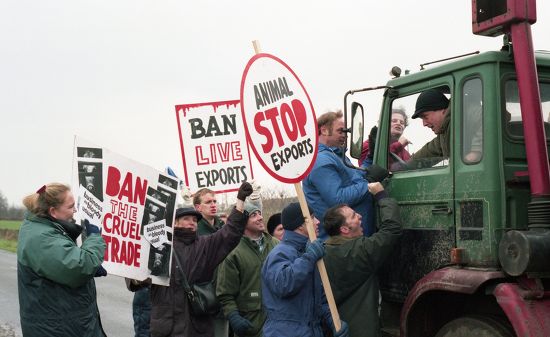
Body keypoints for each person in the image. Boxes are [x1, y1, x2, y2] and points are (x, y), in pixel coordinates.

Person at [140, 181, 253, 337]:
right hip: (166, 327)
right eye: (187, 218)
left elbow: (230, 233)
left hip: (197, 327)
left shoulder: (204, 245)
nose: (192, 222)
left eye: (195, 220)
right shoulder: (159, 246)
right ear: (174, 222)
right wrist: (135, 280)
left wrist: (240, 201)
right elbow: (136, 272)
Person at [17, 183, 107, 337]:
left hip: (62, 325)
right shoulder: (42, 238)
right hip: (56, 329)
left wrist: (89, 267)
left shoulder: (41, 228)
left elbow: (65, 263)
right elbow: (79, 267)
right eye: (71, 207)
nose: (75, 210)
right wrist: (94, 239)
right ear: (53, 211)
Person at [323, 182, 402, 337]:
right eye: (353, 216)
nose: (359, 216)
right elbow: (392, 228)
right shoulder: (361, 251)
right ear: (344, 229)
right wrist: (381, 195)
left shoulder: (323, 254)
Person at [261, 202, 349, 337]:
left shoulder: (308, 252)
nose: (318, 221)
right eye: (313, 217)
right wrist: (309, 258)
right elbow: (283, 284)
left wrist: (334, 322)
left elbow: (320, 299)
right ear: (301, 225)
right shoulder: (280, 253)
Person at [303, 110, 374, 239]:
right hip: (343, 243)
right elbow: (338, 199)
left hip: (355, 237)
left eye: (346, 132)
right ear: (324, 130)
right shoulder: (321, 161)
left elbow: (355, 177)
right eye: (340, 131)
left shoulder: (336, 156)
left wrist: (370, 157)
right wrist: (369, 184)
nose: (345, 135)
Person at [216, 202, 279, 337]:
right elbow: (225, 293)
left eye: (260, 214)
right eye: (253, 215)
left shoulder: (276, 245)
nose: (260, 218)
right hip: (252, 326)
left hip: (279, 323)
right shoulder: (232, 251)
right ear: (243, 222)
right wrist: (234, 316)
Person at [408, 89, 451, 166]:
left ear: (442, 110)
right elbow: (428, 152)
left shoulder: (464, 118)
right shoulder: (443, 135)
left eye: (425, 117)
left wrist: (476, 150)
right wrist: (405, 166)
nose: (424, 124)